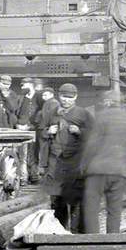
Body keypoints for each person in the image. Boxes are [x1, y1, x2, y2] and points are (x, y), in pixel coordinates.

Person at [80, 94, 126, 235]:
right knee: (114, 209)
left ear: (106, 102)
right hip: (121, 171)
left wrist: (83, 166)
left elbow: (92, 145)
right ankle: (112, 240)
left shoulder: (101, 117)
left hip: (98, 170)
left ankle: (92, 240)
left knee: (91, 208)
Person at [48, 83, 90, 231]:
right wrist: (48, 132)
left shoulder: (83, 113)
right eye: (63, 96)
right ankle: (59, 231)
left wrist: (80, 132)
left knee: (75, 199)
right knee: (57, 198)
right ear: (58, 95)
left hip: (75, 162)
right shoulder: (53, 112)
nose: (66, 100)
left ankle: (78, 234)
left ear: (76, 97)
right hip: (56, 161)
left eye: (69, 97)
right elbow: (40, 132)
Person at [11, 77, 40, 182]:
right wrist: (18, 124)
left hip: (35, 129)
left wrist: (33, 125)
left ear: (31, 85)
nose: (22, 87)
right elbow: (15, 113)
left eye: (24, 85)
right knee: (22, 154)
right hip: (22, 129)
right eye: (22, 85)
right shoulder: (20, 98)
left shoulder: (39, 97)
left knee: (34, 153)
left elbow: (42, 114)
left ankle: (34, 176)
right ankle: (23, 177)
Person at [34, 84, 58, 183]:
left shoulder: (52, 103)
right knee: (45, 155)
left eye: (46, 95)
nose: (43, 97)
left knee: (47, 155)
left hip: (48, 133)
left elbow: (50, 119)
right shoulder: (48, 103)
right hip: (45, 132)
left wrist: (48, 130)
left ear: (51, 94)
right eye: (43, 95)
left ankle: (49, 178)